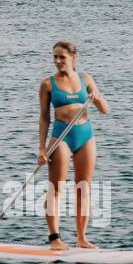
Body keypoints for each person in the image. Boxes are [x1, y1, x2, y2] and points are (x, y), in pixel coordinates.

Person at [37, 41, 109, 251]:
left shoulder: (86, 79)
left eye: (62, 57)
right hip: (61, 137)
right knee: (56, 189)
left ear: (73, 58)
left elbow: (105, 109)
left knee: (83, 189)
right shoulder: (48, 84)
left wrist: (96, 99)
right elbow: (43, 118)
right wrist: (41, 148)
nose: (58, 61)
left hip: (85, 135)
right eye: (55, 57)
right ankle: (54, 238)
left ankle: (81, 238)